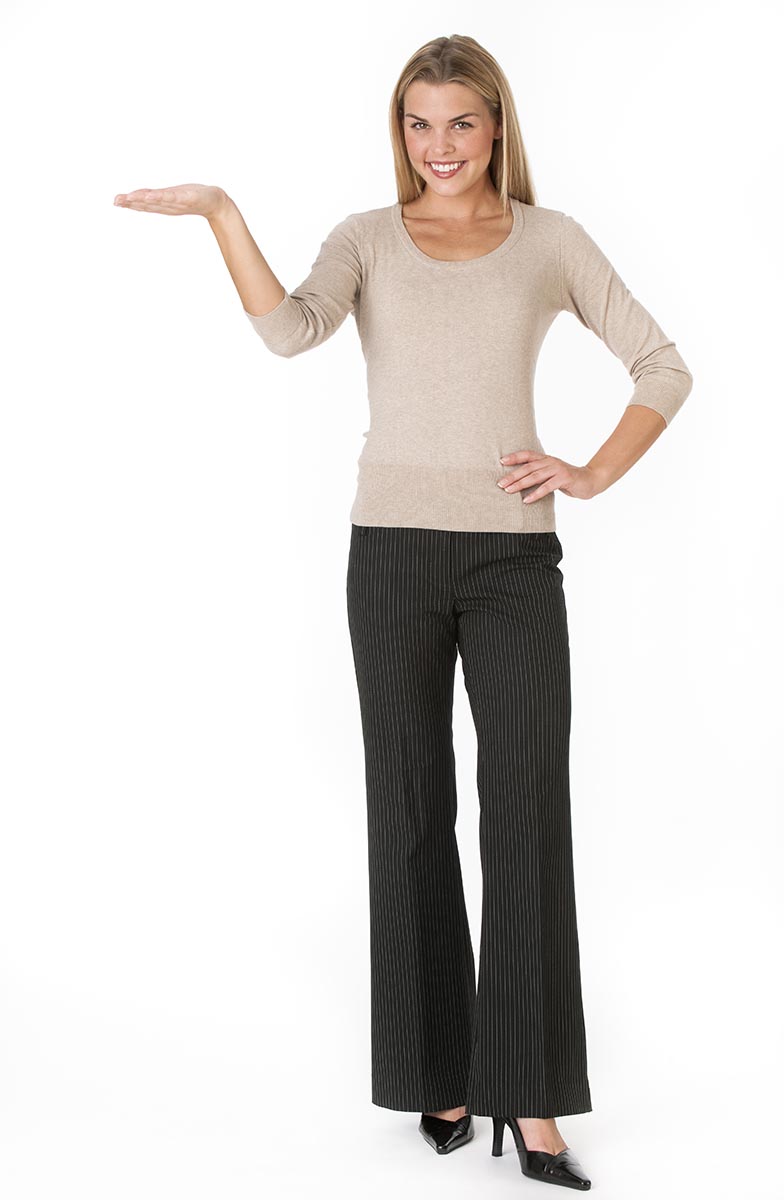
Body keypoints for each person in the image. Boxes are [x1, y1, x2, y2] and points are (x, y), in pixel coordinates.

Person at [113, 32, 692, 1193]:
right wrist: (224, 213)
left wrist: (585, 471)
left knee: (526, 813)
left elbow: (662, 367)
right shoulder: (367, 239)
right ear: (401, 131)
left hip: (515, 563)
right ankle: (443, 1074)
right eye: (420, 125)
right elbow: (289, 333)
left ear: (496, 128)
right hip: (388, 558)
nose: (440, 147)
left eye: (462, 124)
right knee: (412, 811)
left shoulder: (550, 240)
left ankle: (529, 1101)